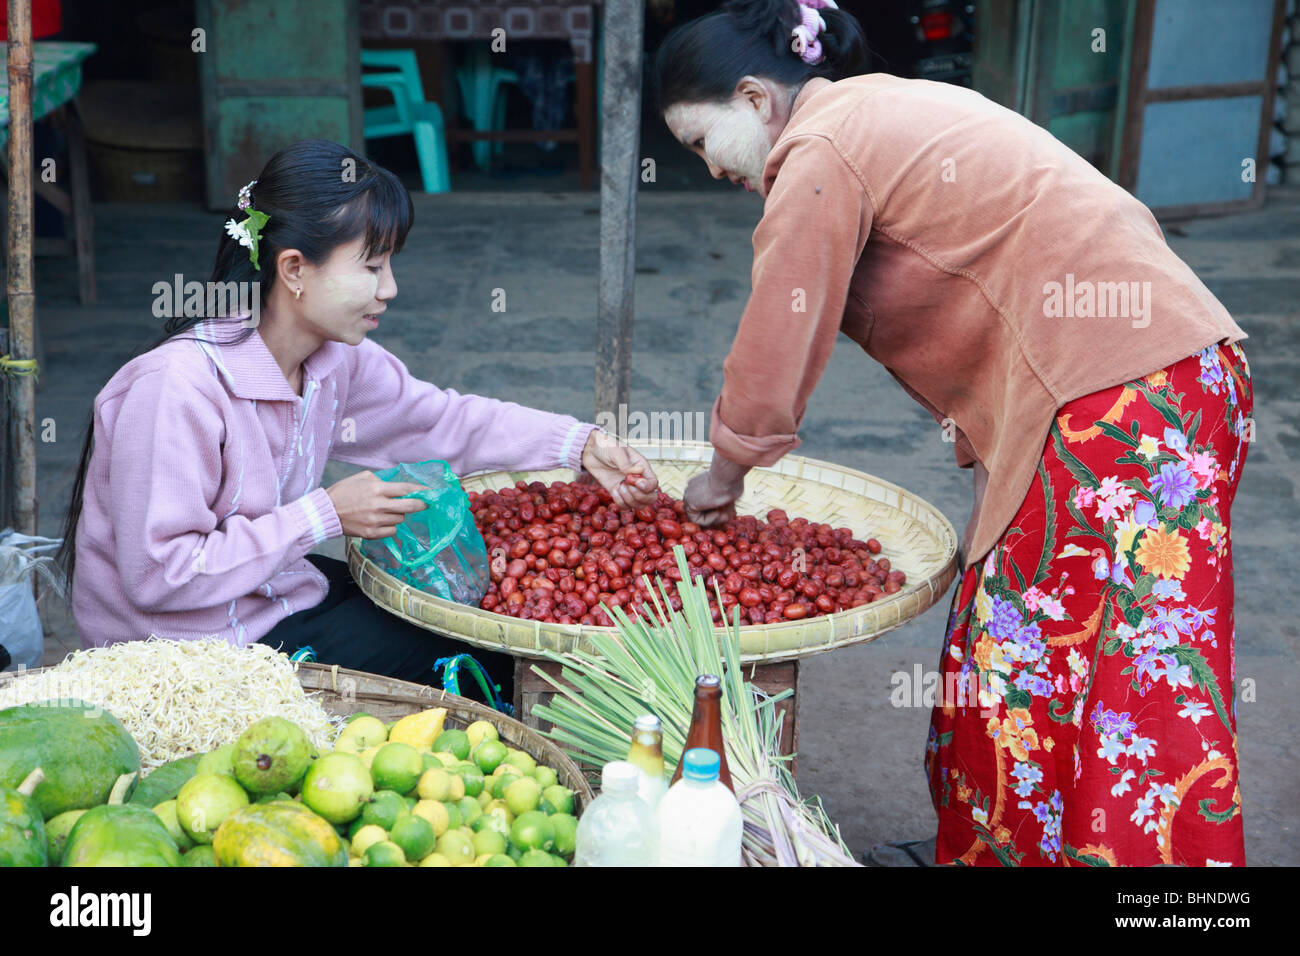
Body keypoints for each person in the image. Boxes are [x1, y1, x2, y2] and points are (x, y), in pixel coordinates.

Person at [655, 0, 1249, 866]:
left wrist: (727, 468)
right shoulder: (879, 111)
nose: (710, 170)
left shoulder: (821, 148)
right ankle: (998, 852)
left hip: (1129, 404)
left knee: (1135, 683)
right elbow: (994, 289)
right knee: (1009, 646)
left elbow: (782, 325)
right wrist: (990, 473)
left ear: (754, 98)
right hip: (1157, 388)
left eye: (703, 144)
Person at [57, 138, 658, 703]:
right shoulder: (175, 390)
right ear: (294, 270)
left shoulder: (332, 359)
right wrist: (323, 513)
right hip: (185, 652)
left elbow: (441, 422)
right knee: (476, 665)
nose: (389, 289)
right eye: (372, 267)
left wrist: (576, 443)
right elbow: (159, 576)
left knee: (476, 623)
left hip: (267, 596)